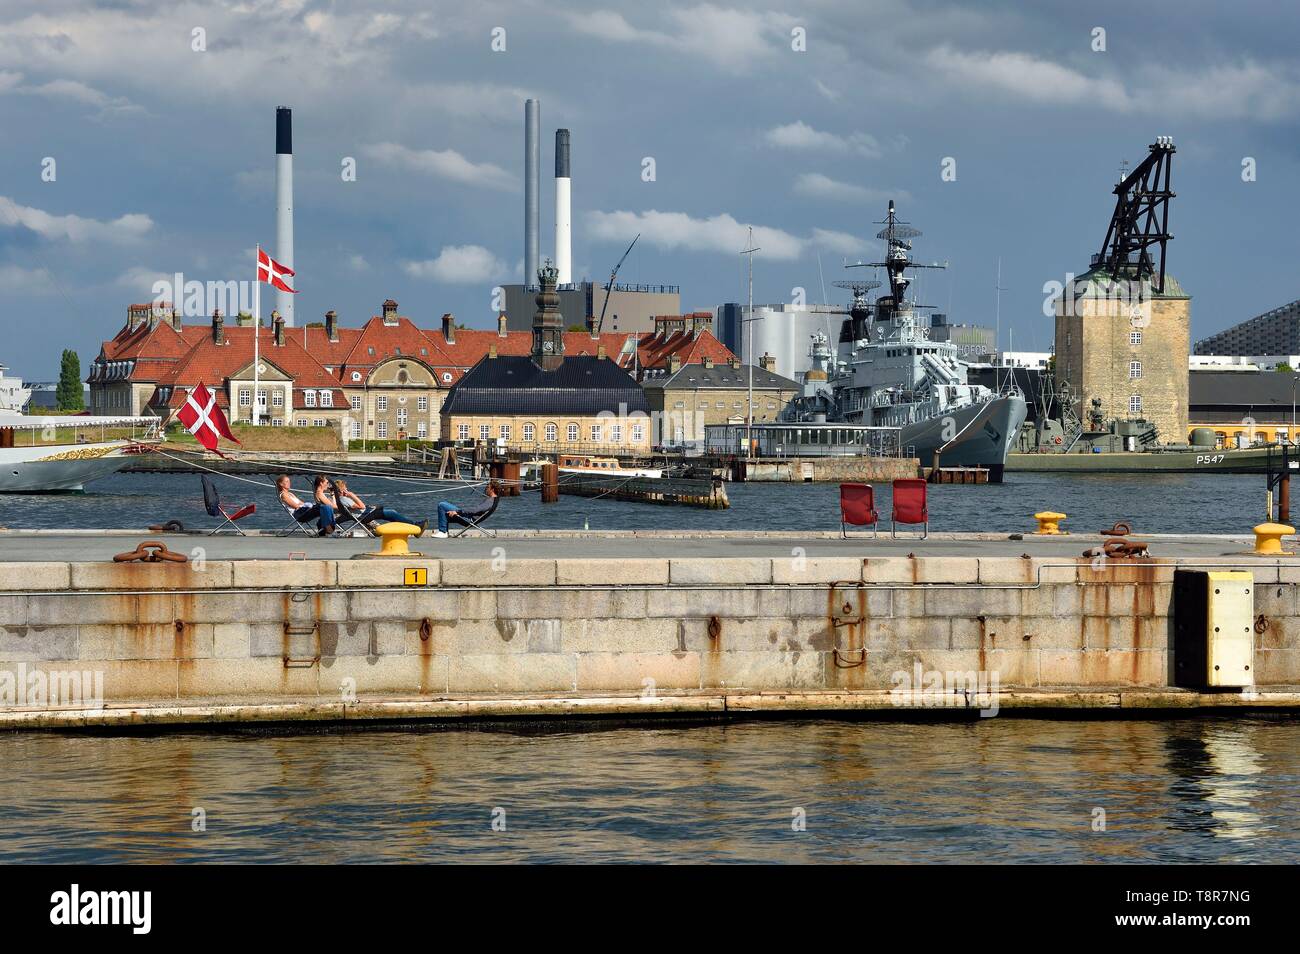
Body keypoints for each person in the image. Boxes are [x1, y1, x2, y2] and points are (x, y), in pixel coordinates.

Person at [332, 479, 427, 535]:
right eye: (345, 488)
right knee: (392, 513)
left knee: (389, 515)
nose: (347, 490)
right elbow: (361, 506)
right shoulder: (344, 499)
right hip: (364, 516)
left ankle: (412, 528)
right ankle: (415, 526)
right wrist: (352, 495)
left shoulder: (339, 499)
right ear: (341, 490)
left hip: (363, 514)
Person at [431, 480, 499, 539]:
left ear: (492, 489)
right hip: (469, 518)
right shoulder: (495, 500)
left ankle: (443, 532)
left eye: (487, 487)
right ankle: (444, 532)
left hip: (468, 519)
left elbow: (475, 510)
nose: (486, 489)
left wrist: (458, 512)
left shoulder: (490, 501)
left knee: (442, 505)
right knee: (446, 512)